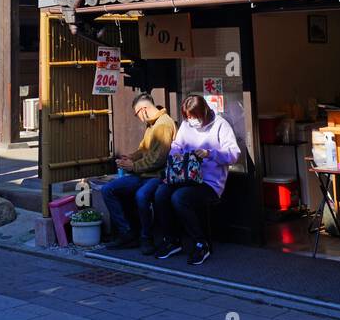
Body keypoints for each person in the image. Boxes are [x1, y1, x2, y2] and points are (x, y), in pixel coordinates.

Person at [154, 94, 240, 266]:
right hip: (184, 177)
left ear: (203, 112)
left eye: (193, 116)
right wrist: (175, 153)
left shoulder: (220, 125)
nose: (190, 120)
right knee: (161, 194)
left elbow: (234, 155)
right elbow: (177, 145)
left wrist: (211, 153)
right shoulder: (186, 125)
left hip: (209, 183)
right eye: (187, 116)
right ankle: (172, 240)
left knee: (180, 198)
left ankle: (201, 243)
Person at [102, 93, 176, 254]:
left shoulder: (163, 125)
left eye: (137, 114)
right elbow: (143, 149)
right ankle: (127, 233)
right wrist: (130, 157)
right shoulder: (152, 124)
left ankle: (146, 238)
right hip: (144, 174)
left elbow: (159, 160)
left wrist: (133, 166)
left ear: (143, 110)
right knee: (108, 189)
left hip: (158, 175)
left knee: (141, 196)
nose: (138, 117)